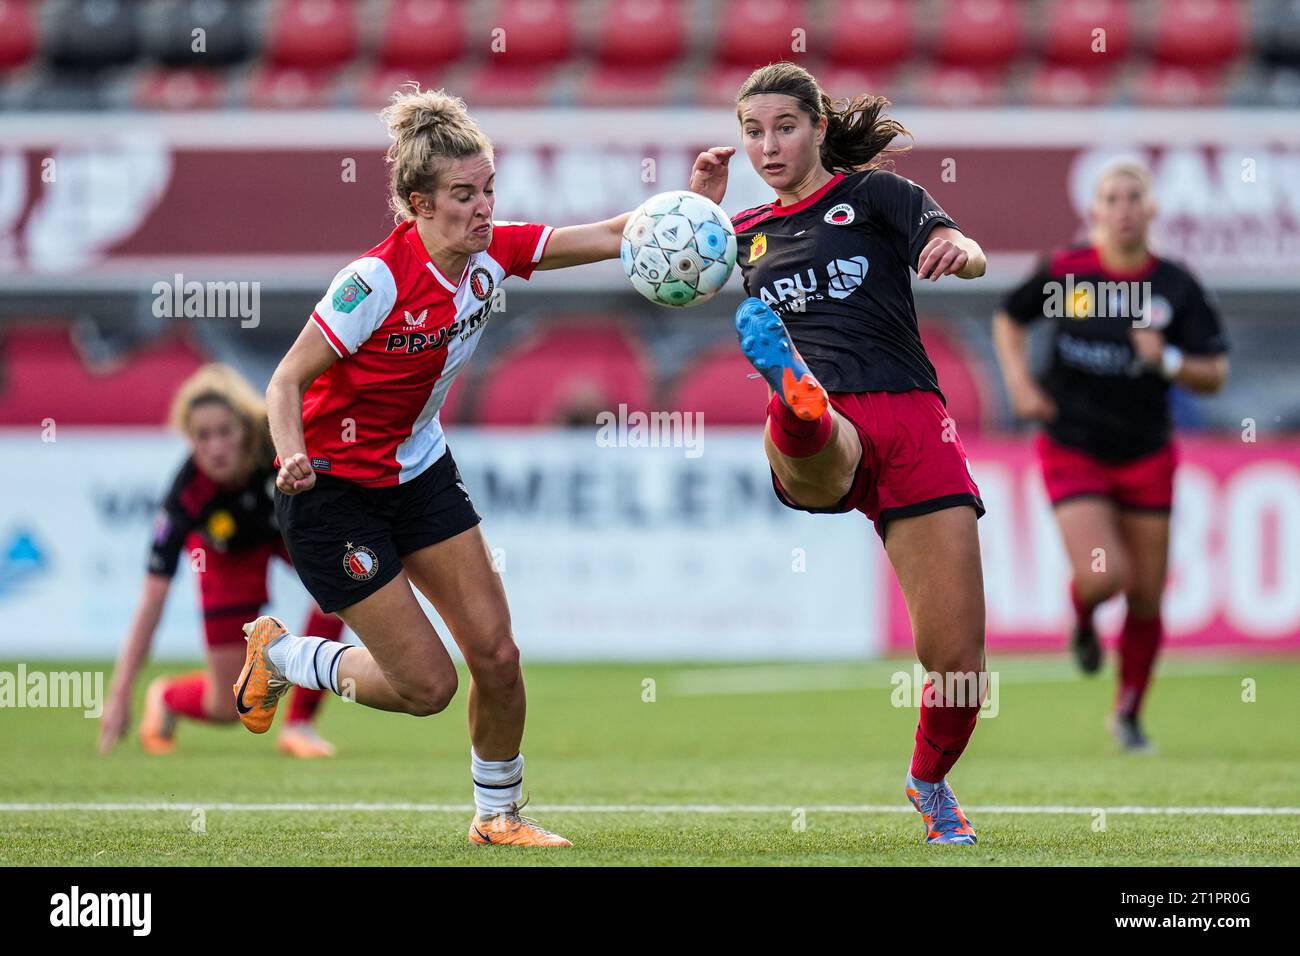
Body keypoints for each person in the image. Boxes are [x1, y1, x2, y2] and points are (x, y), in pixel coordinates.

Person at [239, 86, 683, 847]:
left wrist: (691, 215)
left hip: (421, 477)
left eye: (488, 190)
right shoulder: (372, 283)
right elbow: (285, 380)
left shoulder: (492, 255)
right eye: (463, 195)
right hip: (335, 495)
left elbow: (613, 234)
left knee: (498, 655)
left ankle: (498, 816)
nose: (484, 209)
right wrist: (292, 456)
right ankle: (282, 652)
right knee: (428, 688)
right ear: (418, 204)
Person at [689, 62, 989, 844]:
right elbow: (669, 278)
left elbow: (970, 248)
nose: (767, 145)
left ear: (819, 127)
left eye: (784, 127)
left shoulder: (877, 196)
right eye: (752, 132)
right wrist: (693, 213)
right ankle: (797, 400)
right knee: (818, 431)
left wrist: (958, 246)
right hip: (831, 426)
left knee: (957, 664)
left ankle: (928, 784)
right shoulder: (740, 232)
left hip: (914, 418)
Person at [993, 160, 1228, 751]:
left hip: (1147, 453)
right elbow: (1008, 318)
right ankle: (1083, 616)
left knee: (1147, 595)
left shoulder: (1176, 286)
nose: (1123, 208)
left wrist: (1167, 361)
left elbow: (1216, 373)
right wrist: (1019, 382)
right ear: (1094, 211)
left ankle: (1127, 712)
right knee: (1105, 575)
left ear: (1151, 210)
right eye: (1112, 198)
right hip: (1074, 446)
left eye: (1134, 197)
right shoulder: (1067, 273)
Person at [99, 364, 343, 759]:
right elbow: (152, 599)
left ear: (245, 427)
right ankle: (166, 696)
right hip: (224, 554)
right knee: (229, 706)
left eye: (224, 432)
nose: (215, 447)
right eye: (202, 436)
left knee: (339, 591)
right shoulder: (186, 495)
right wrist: (120, 693)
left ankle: (299, 725)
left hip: (283, 531)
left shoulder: (273, 442)